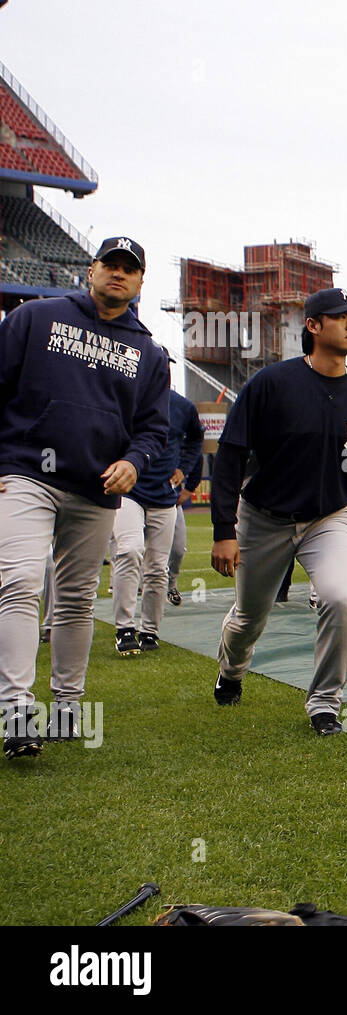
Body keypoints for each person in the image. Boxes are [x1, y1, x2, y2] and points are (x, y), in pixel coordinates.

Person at [0, 236, 169, 757]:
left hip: (96, 486)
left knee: (74, 600)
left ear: (140, 283)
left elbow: (152, 430)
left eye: (129, 269)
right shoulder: (34, 318)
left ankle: (68, 705)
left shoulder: (148, 352)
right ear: (90, 270)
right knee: (22, 581)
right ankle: (16, 710)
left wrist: (133, 462)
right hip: (27, 472)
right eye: (110, 265)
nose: (119, 274)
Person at [210, 287, 347, 736]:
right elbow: (231, 454)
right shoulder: (272, 384)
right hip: (263, 517)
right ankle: (232, 671)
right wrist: (223, 529)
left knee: (340, 599)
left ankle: (325, 704)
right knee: (248, 618)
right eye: (341, 317)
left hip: (328, 518)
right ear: (312, 325)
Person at [111, 363, 204, 653]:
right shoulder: (124, 399)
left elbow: (196, 439)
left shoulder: (181, 406)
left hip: (164, 494)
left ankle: (149, 630)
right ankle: (124, 627)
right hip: (130, 490)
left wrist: (184, 469)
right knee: (129, 550)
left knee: (158, 568)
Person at [166, 455, 204, 607]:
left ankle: (171, 585)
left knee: (178, 548)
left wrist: (189, 489)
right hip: (138, 497)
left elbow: (197, 456)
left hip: (170, 499)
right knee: (134, 549)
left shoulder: (177, 437)